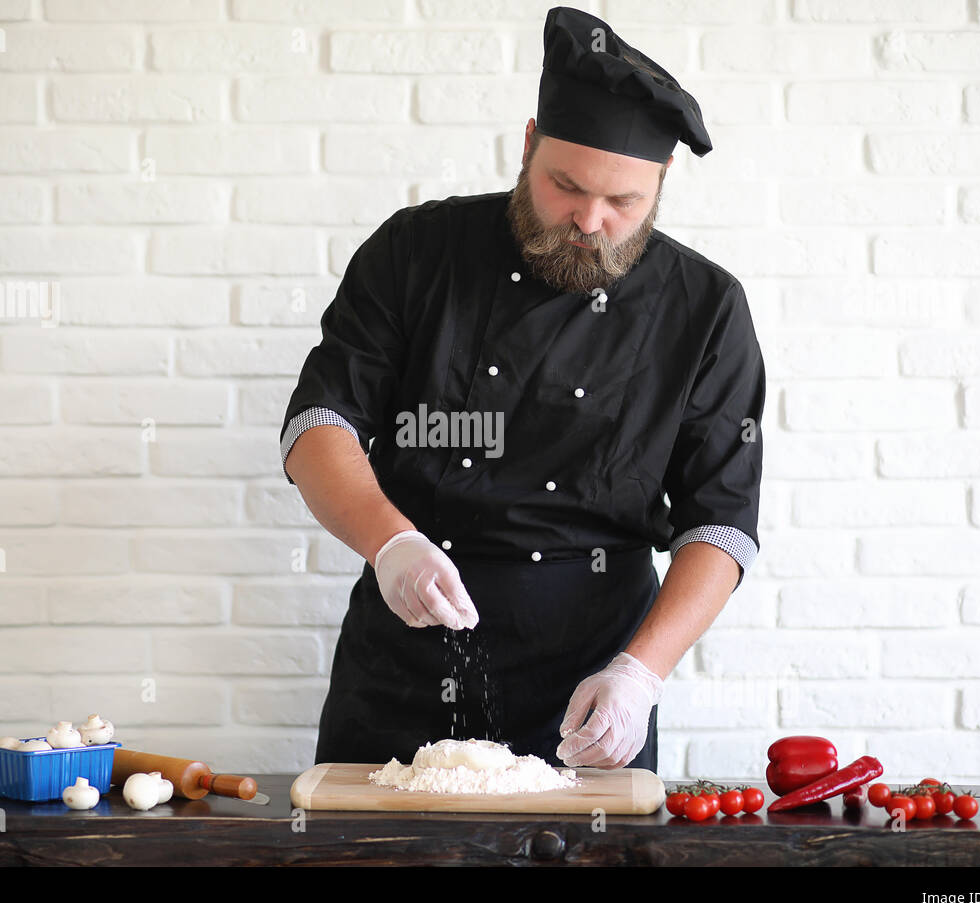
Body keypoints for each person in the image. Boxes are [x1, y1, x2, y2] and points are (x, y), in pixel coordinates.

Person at [279, 6, 764, 771]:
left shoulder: (705, 307)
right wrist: (390, 541)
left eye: (624, 203)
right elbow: (318, 426)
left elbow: (722, 525)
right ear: (530, 143)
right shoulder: (415, 252)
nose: (591, 221)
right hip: (401, 675)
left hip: (591, 691)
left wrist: (641, 674)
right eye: (567, 187)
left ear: (661, 182)